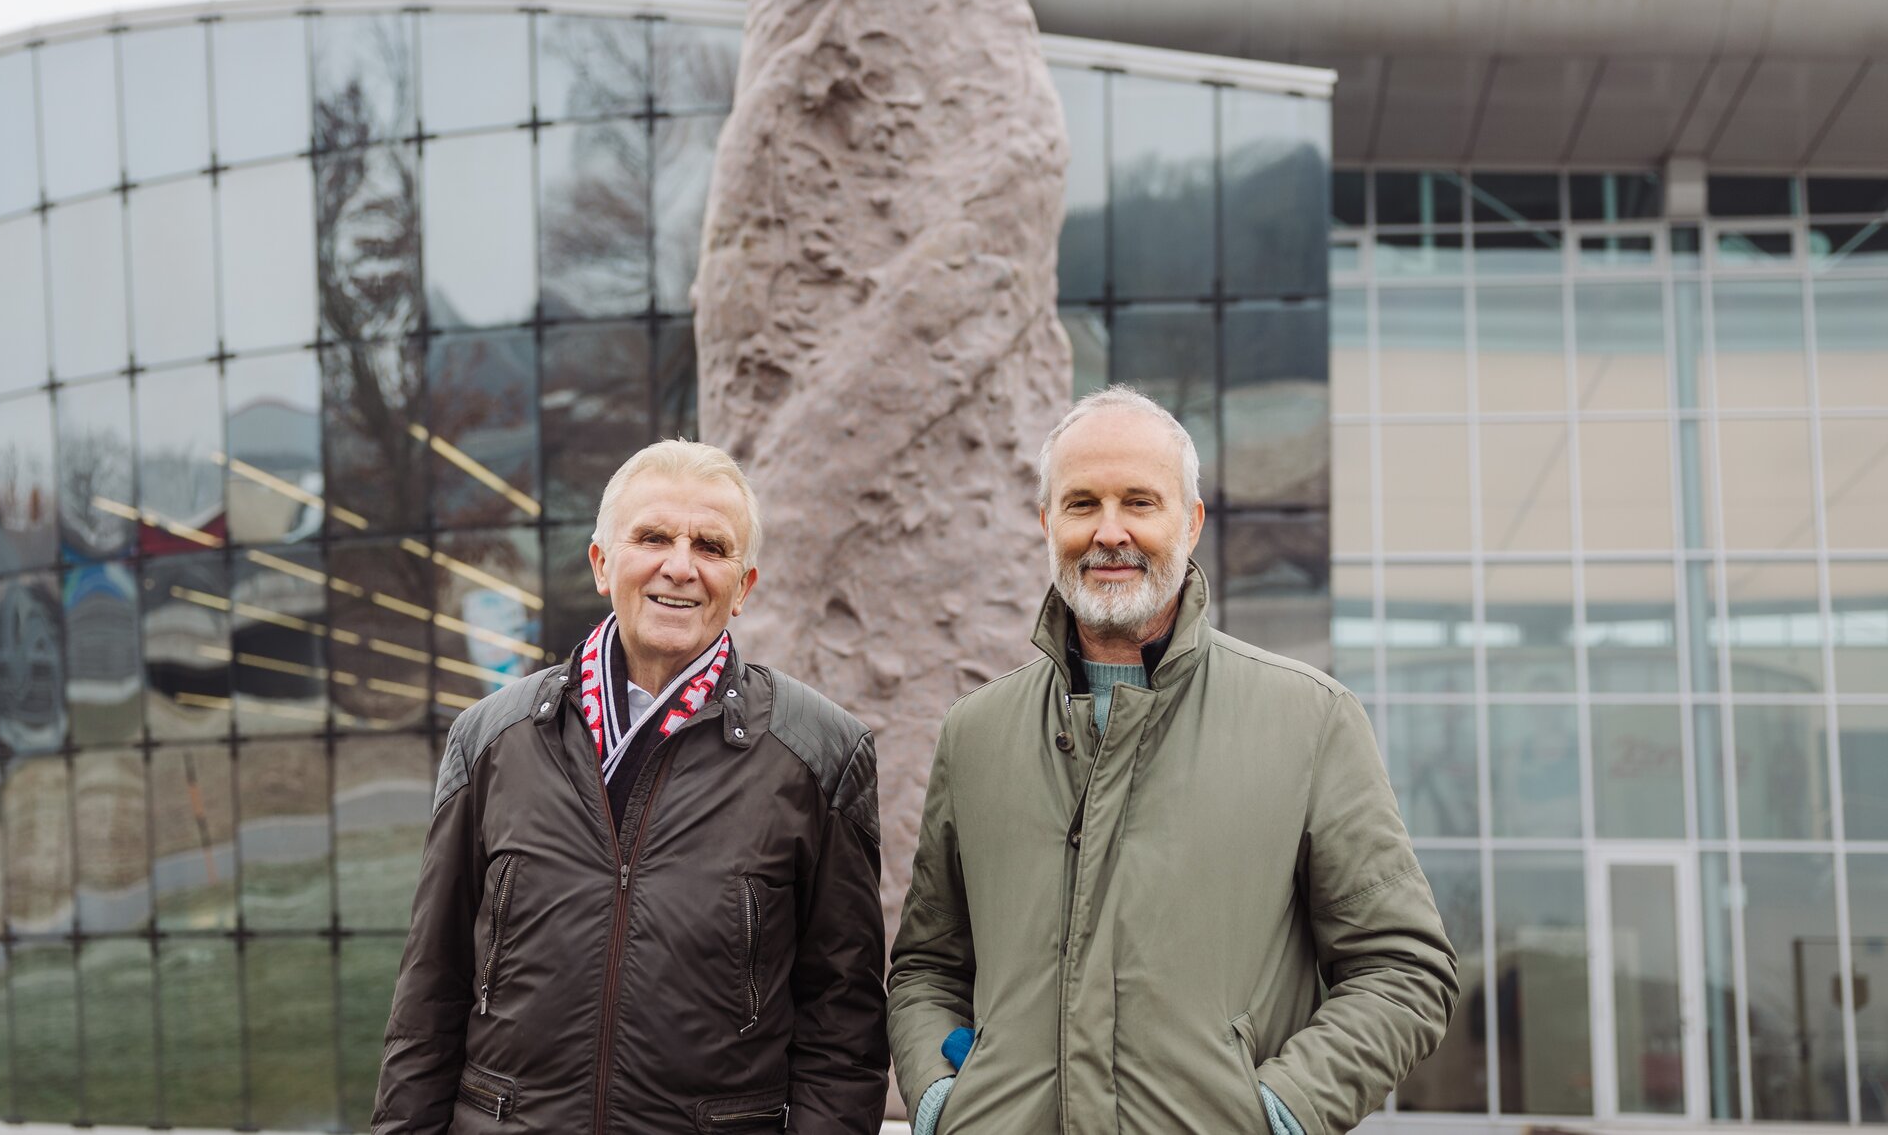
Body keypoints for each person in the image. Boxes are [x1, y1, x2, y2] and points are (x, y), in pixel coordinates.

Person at [887, 387, 1457, 1135]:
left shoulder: (1309, 720)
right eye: (1082, 504)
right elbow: (926, 968)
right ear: (1047, 523)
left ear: (1190, 521)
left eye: (1139, 502)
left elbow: (1403, 967)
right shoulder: (976, 733)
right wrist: (942, 1101)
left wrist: (1279, 1111)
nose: (1109, 531)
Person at [373, 440, 889, 1135]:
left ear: (743, 587)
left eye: (710, 546)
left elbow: (844, 1029)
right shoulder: (490, 739)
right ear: (601, 563)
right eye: (652, 538)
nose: (680, 566)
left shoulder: (820, 754)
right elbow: (429, 994)